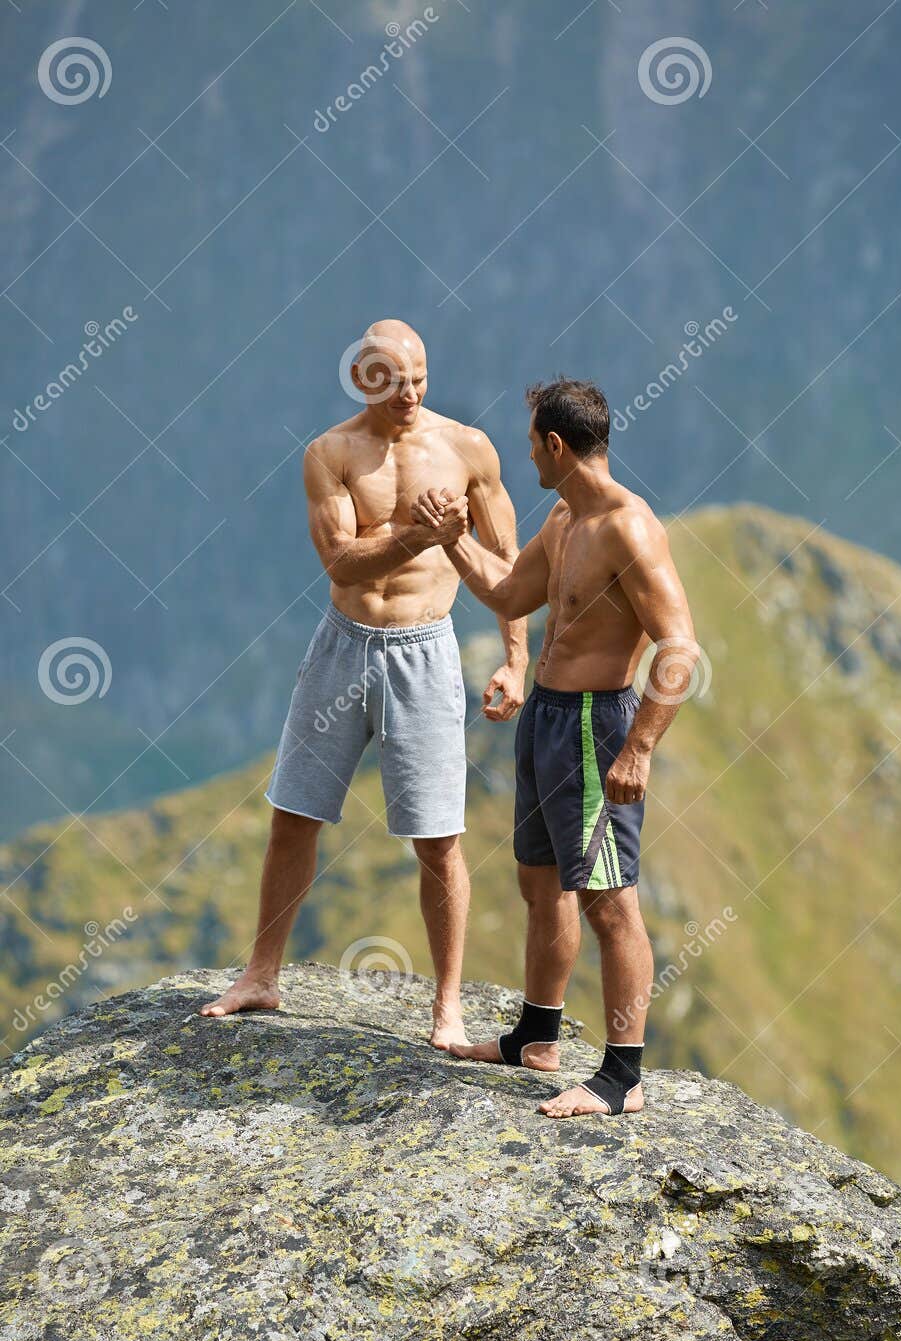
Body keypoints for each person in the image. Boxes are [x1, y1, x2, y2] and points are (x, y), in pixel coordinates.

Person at [201, 320, 528, 1047]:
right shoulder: (331, 453)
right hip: (343, 645)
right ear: (364, 381)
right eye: (393, 381)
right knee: (295, 813)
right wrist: (417, 533)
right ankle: (261, 975)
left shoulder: (467, 448)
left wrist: (514, 658)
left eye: (419, 377)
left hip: (425, 649)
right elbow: (343, 565)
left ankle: (447, 1009)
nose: (409, 394)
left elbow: (508, 561)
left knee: (437, 838)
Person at [410, 377, 698, 1116]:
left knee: (608, 900)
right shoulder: (565, 515)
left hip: (594, 725)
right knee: (540, 882)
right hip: (545, 716)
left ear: (556, 445)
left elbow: (679, 648)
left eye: (531, 440)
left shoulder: (627, 529)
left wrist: (637, 749)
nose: (526, 453)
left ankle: (621, 1078)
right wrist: (453, 540)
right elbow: (510, 594)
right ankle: (537, 1037)